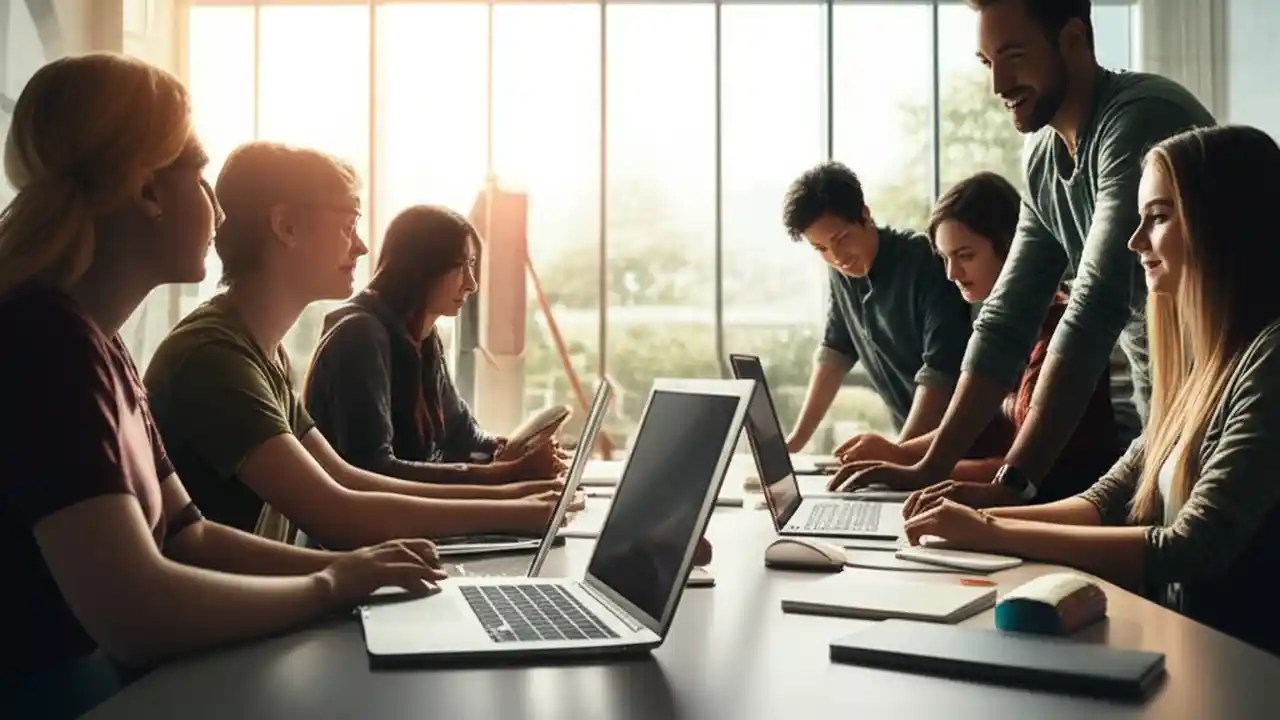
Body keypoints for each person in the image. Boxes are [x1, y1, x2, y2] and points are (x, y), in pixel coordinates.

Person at [0, 54, 443, 718]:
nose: (216, 207)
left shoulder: (100, 347)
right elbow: (135, 613)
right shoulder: (44, 343)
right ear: (148, 191)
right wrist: (328, 583)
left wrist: (361, 572)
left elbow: (187, 535)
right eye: (201, 179)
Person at [902, 125, 1280, 657]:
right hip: (1192, 652)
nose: (1134, 241)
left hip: (1245, 676)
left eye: (1159, 216)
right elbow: (1104, 500)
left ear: (1222, 222)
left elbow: (1193, 547)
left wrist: (992, 531)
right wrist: (976, 520)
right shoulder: (1205, 367)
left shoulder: (1270, 359)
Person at [845, 0, 1216, 508]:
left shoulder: (1140, 119)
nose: (998, 84)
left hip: (1232, 402)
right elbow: (1004, 321)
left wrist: (1014, 486)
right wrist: (924, 467)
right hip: (1166, 411)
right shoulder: (1043, 157)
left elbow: (1093, 308)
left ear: (1073, 39)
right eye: (986, 62)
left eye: (1014, 55)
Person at [144, 141, 576, 550]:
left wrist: (515, 497)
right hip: (230, 618)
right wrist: (511, 508)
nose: (362, 245)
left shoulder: (259, 351)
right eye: (349, 223)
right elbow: (338, 512)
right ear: (287, 227)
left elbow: (347, 478)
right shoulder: (214, 359)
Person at [830, 173, 1120, 504]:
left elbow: (1032, 473)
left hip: (1060, 511)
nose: (951, 274)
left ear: (1014, 248)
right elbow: (978, 432)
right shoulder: (999, 335)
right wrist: (897, 455)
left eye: (965, 256)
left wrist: (910, 468)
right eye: (945, 258)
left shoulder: (1059, 332)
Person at [304, 204, 565, 485]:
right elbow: (372, 470)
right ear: (421, 266)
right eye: (458, 265)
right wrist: (507, 473)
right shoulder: (359, 335)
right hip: (364, 526)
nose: (471, 284)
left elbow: (463, 437)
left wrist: (518, 452)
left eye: (472, 265)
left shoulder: (423, 335)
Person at [782, 161, 974, 450]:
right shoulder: (842, 273)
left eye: (841, 238)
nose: (837, 257)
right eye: (821, 248)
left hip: (961, 448)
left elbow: (941, 371)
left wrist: (898, 454)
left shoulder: (922, 260)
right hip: (910, 450)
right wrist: (794, 443)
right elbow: (835, 353)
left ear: (865, 214)